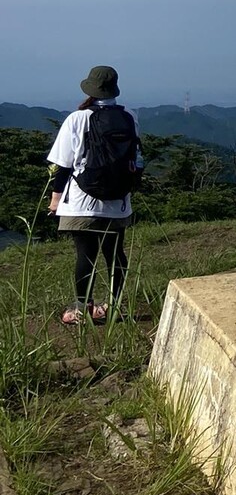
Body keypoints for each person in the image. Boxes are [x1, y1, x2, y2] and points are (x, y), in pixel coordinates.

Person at [47, 65, 141, 326]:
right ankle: (113, 307)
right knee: (115, 255)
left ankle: (82, 310)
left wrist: (55, 200)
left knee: (85, 255)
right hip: (117, 203)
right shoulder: (130, 117)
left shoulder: (77, 119)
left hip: (81, 202)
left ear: (90, 87)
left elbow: (62, 166)